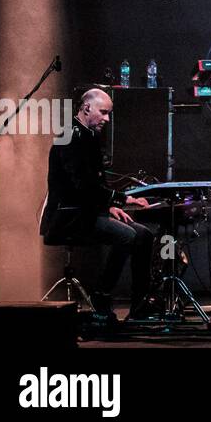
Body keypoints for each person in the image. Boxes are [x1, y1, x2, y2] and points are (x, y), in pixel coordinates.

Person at [40, 89, 154, 322]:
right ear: (86, 108)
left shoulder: (89, 136)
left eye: (109, 114)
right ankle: (100, 297)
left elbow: (94, 185)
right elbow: (81, 185)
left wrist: (110, 207)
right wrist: (123, 198)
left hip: (86, 212)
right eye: (103, 112)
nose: (107, 119)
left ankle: (140, 306)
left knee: (144, 235)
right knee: (127, 236)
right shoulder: (69, 136)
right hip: (67, 218)